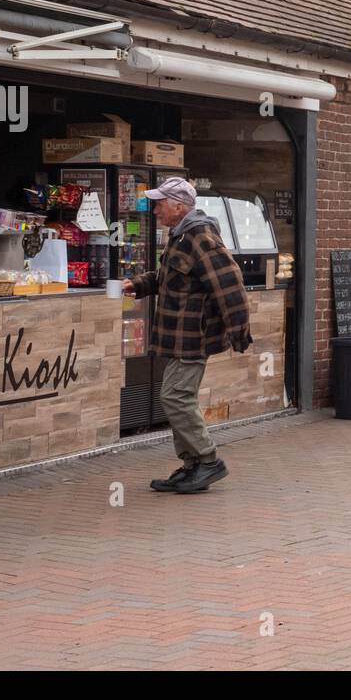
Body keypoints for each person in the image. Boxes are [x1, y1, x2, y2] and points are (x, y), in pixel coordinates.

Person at [122, 176, 252, 493]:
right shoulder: (180, 237)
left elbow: (230, 284)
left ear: (179, 206)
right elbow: (169, 278)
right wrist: (138, 285)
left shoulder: (200, 236)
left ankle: (208, 461)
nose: (154, 210)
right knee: (178, 398)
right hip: (178, 339)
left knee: (174, 397)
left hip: (194, 338)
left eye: (160, 204)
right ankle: (193, 465)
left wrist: (239, 332)